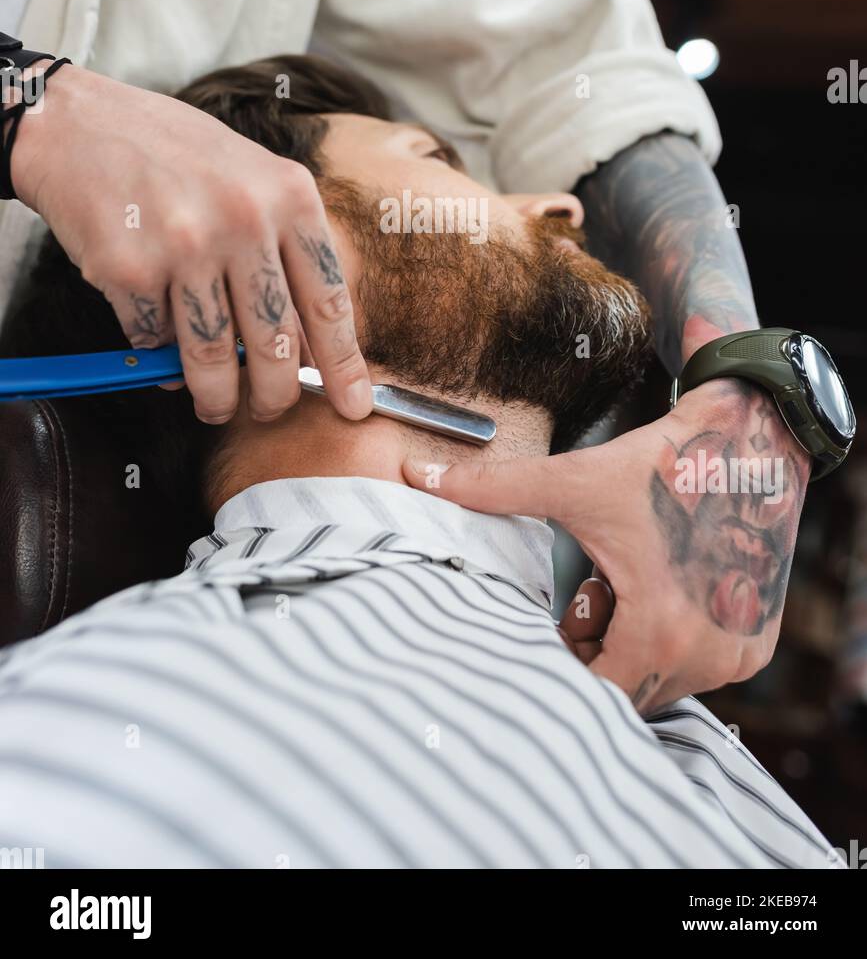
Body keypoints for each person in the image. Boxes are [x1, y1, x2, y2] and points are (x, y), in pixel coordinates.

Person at [0, 0, 826, 720]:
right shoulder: (95, 747)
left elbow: (560, 63)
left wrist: (741, 395)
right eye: (438, 161)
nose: (560, 207)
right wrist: (23, 102)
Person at [0, 54, 842, 869]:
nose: (562, 205)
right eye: (438, 160)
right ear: (237, 244)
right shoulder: (135, 717)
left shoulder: (648, 692)